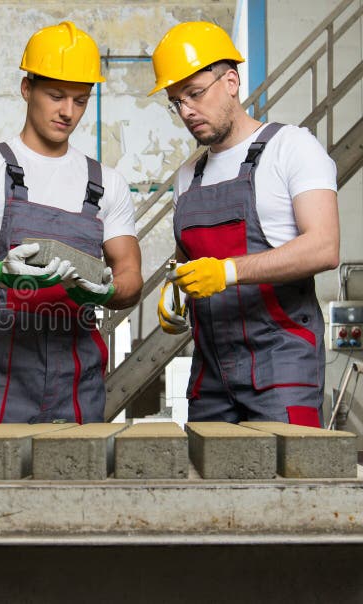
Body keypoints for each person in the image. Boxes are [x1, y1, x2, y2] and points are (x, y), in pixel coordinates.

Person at [0, 21, 142, 424]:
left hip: (78, 383)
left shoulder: (105, 183)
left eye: (80, 100)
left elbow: (131, 276)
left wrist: (104, 291)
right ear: (27, 88)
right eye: (56, 95)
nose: (68, 112)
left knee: (75, 485)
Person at [151, 21, 339, 426]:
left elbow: (324, 247)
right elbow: (188, 255)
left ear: (231, 81)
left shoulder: (291, 147)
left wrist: (228, 271)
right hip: (210, 372)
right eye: (176, 101)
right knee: (210, 484)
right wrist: (174, 288)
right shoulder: (189, 174)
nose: (186, 111)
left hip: (282, 367)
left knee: (289, 486)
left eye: (195, 94)